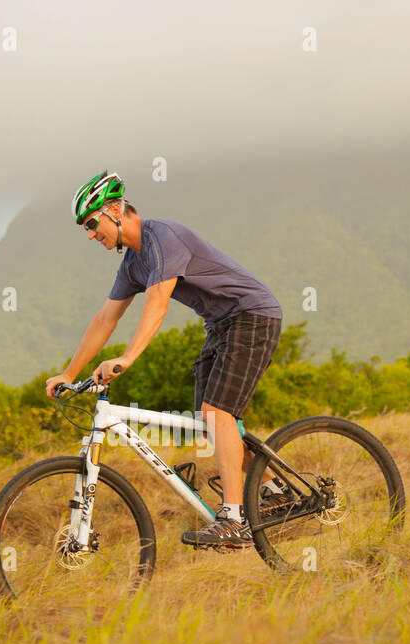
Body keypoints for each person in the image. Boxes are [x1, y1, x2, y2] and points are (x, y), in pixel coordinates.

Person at [45, 170, 284, 548]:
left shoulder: (162, 238)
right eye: (86, 229)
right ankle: (275, 490)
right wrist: (69, 372)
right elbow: (106, 318)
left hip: (252, 315)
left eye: (92, 224)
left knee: (217, 412)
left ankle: (233, 519)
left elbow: (158, 302)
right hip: (221, 325)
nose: (91, 234)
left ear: (115, 209)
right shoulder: (133, 264)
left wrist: (127, 358)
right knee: (213, 421)